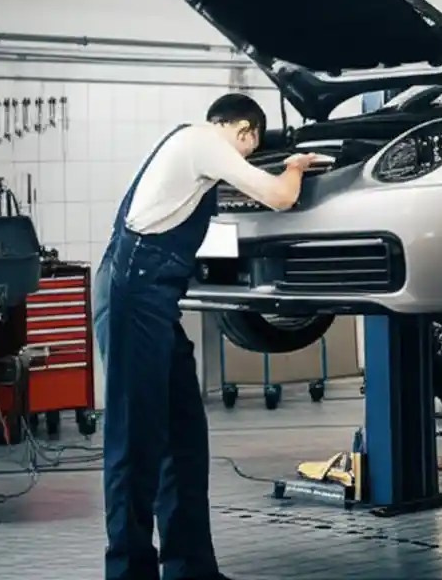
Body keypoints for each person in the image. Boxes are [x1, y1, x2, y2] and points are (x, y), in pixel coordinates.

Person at [94, 92, 320, 580]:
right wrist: (296, 167)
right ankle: (129, 573)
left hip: (151, 295)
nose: (244, 158)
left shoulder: (191, 151)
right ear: (243, 132)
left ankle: (191, 569)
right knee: (135, 442)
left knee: (184, 439)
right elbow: (280, 196)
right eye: (250, 148)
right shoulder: (205, 141)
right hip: (133, 292)